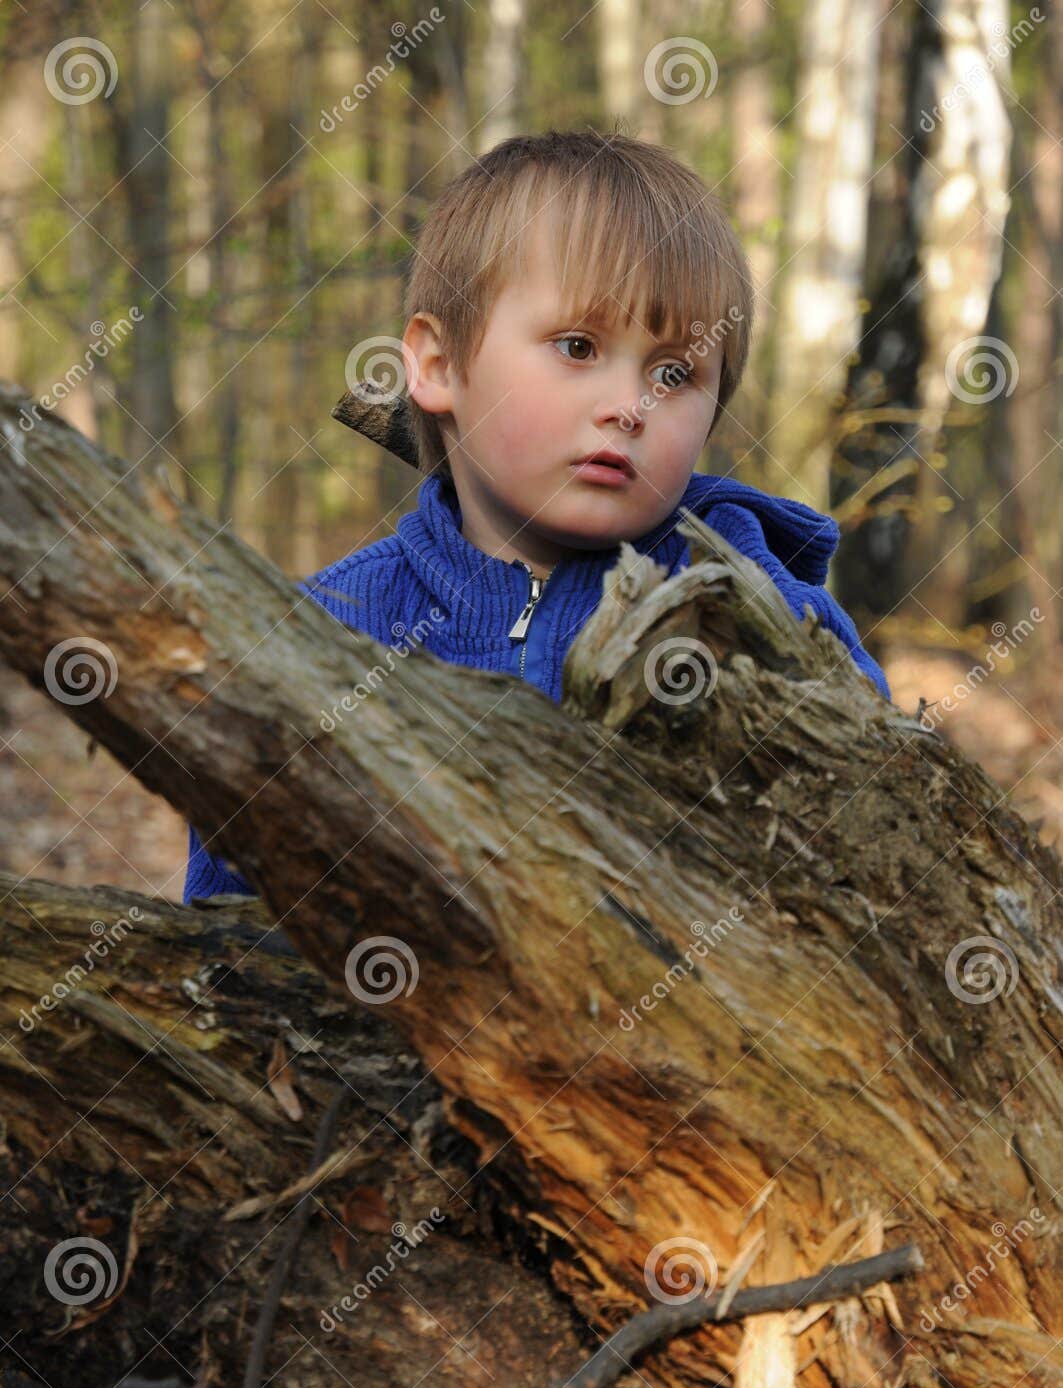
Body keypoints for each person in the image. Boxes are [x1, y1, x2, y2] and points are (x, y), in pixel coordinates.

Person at [184, 126, 889, 903]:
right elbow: (226, 946)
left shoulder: (766, 624)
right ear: (439, 365)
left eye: (674, 371)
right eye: (578, 346)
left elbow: (883, 877)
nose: (630, 406)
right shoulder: (326, 630)